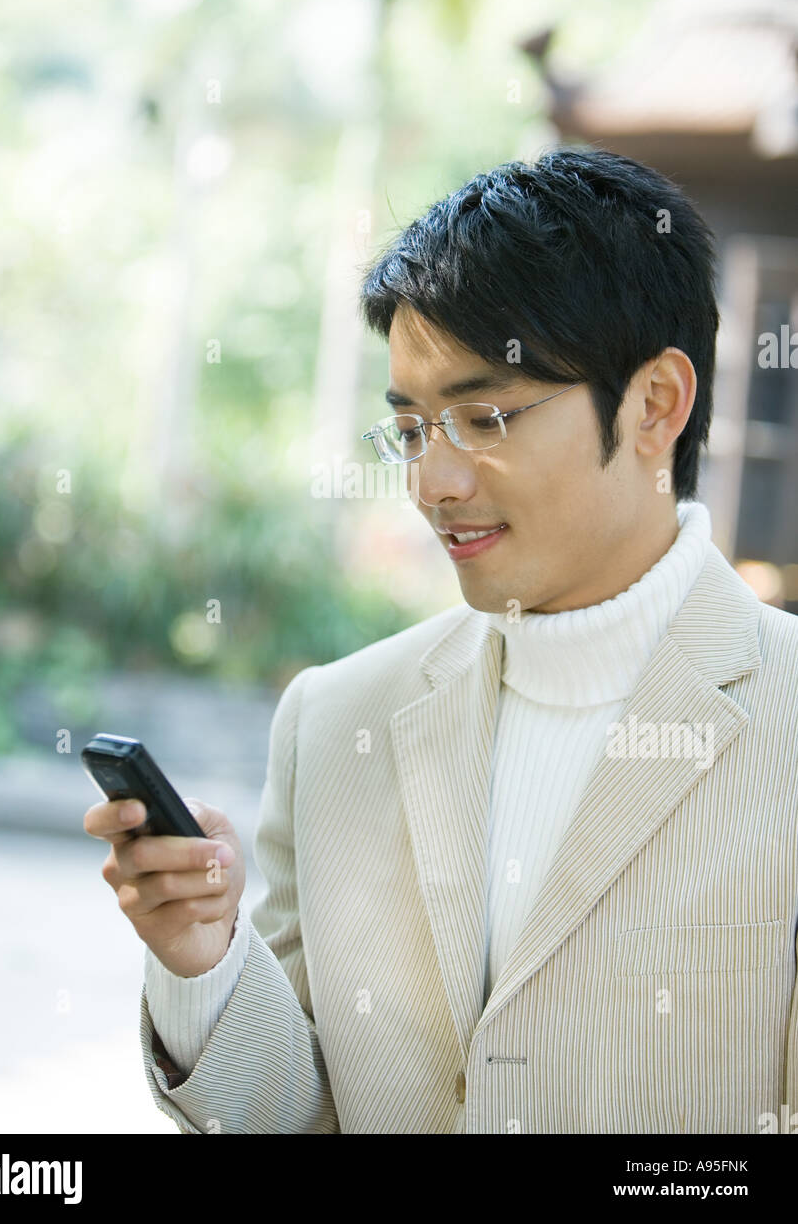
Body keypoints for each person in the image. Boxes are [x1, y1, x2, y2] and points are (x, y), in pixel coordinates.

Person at [85, 148, 798, 1134]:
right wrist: (204, 960)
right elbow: (300, 1116)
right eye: (414, 428)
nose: (434, 482)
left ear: (654, 406)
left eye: (485, 417)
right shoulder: (336, 722)